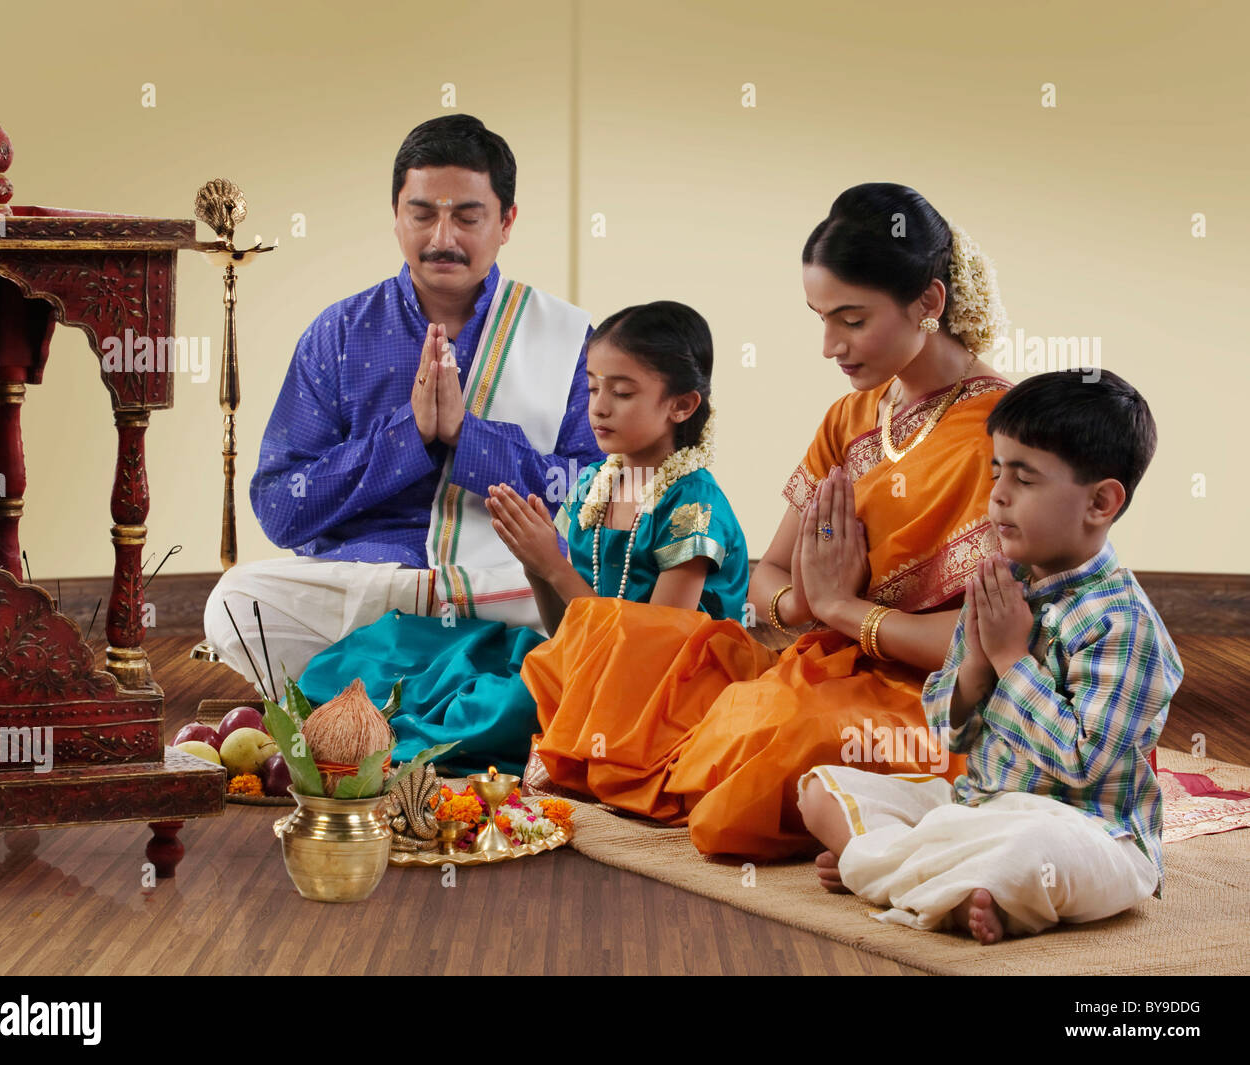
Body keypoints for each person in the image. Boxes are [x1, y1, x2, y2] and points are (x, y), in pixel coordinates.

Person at [520, 183, 1015, 859]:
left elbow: (990, 640)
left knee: (770, 735)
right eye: (820, 318)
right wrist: (803, 603)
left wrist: (843, 609)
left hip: (934, 699)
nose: (829, 345)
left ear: (929, 303)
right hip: (819, 660)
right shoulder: (851, 417)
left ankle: (844, 808)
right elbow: (770, 577)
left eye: (851, 320)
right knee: (635, 639)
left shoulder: (1008, 434)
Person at [202, 114, 604, 697]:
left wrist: (471, 439)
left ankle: (371, 692)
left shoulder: (564, 337)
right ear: (396, 215)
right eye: (422, 215)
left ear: (506, 221)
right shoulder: (339, 333)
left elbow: (596, 497)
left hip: (507, 587)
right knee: (236, 603)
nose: (442, 238)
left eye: (467, 217)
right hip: (371, 586)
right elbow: (279, 506)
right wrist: (407, 438)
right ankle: (472, 683)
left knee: (607, 598)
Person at [797, 370, 1182, 943]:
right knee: (823, 789)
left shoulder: (1125, 626)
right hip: (978, 807)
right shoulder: (1003, 585)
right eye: (996, 471)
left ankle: (887, 867)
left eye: (1024, 479)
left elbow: (1082, 763)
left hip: (1088, 832)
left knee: (1030, 851)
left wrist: (1009, 660)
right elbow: (951, 737)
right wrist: (976, 667)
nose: (997, 495)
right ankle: (931, 877)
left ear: (1100, 501)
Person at [297, 301, 750, 776]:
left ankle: (376, 753)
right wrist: (536, 569)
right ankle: (348, 728)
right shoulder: (597, 482)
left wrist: (553, 566)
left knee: (507, 702)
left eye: (622, 392)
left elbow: (653, 656)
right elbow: (562, 631)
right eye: (593, 387)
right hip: (584, 666)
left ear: (681, 405)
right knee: (423, 647)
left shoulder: (694, 509)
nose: (599, 406)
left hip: (659, 695)